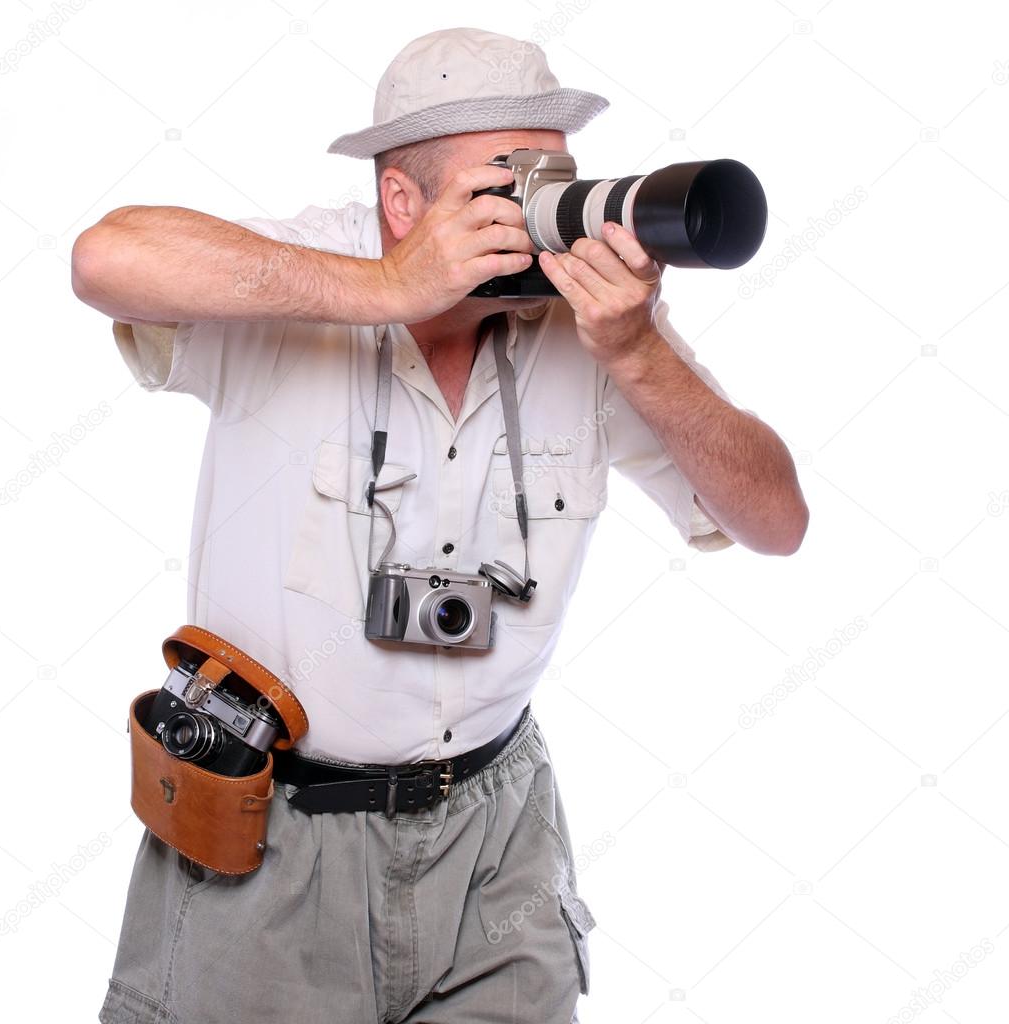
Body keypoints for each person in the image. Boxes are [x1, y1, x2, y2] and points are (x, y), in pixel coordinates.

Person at [72, 25, 808, 1024]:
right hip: (272, 837)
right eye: (502, 190)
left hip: (494, 838)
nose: (535, 221)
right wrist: (385, 287)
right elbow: (104, 255)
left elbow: (775, 521)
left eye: (553, 182)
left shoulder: (594, 324)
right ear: (401, 201)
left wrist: (638, 354)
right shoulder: (309, 266)